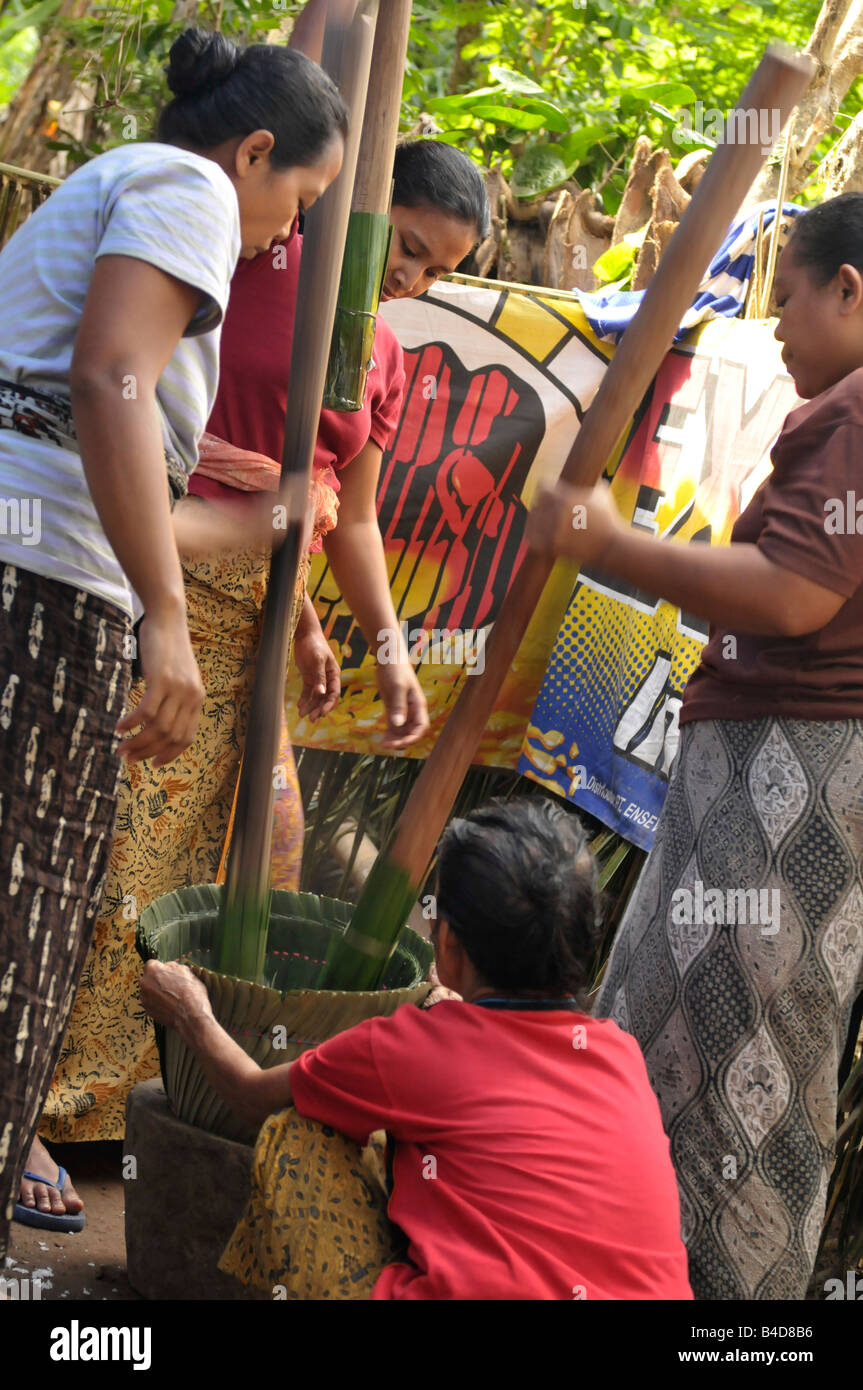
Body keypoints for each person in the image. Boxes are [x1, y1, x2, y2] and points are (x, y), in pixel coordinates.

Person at [34, 136, 490, 1199]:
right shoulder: (246, 257)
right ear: (355, 212)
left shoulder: (372, 352)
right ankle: (34, 1102)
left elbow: (349, 513)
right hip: (158, 575)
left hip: (264, 621)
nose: (411, 280)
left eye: (434, 271)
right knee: (107, 843)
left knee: (254, 852)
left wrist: (376, 644)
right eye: (406, 249)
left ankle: (139, 1098)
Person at [7, 25, 348, 1239]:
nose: (289, 238)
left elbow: (105, 453)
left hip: (43, 568)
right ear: (254, 152)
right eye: (298, 199)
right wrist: (163, 618)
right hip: (36, 589)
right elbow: (108, 384)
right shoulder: (188, 184)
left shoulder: (136, 185)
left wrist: (255, 526)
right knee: (22, 908)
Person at [526, 192, 863, 1300]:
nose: (773, 329)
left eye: (788, 300)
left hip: (789, 772)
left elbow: (795, 593)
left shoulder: (854, 413)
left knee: (730, 1051)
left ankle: (699, 1295)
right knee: (725, 1041)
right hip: (800, 768)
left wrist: (609, 541)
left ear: (848, 290)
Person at [141, 798, 693, 1300]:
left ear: (447, 944)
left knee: (299, 1133)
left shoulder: (412, 1048)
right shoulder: (619, 1055)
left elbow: (249, 1094)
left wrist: (191, 1010)